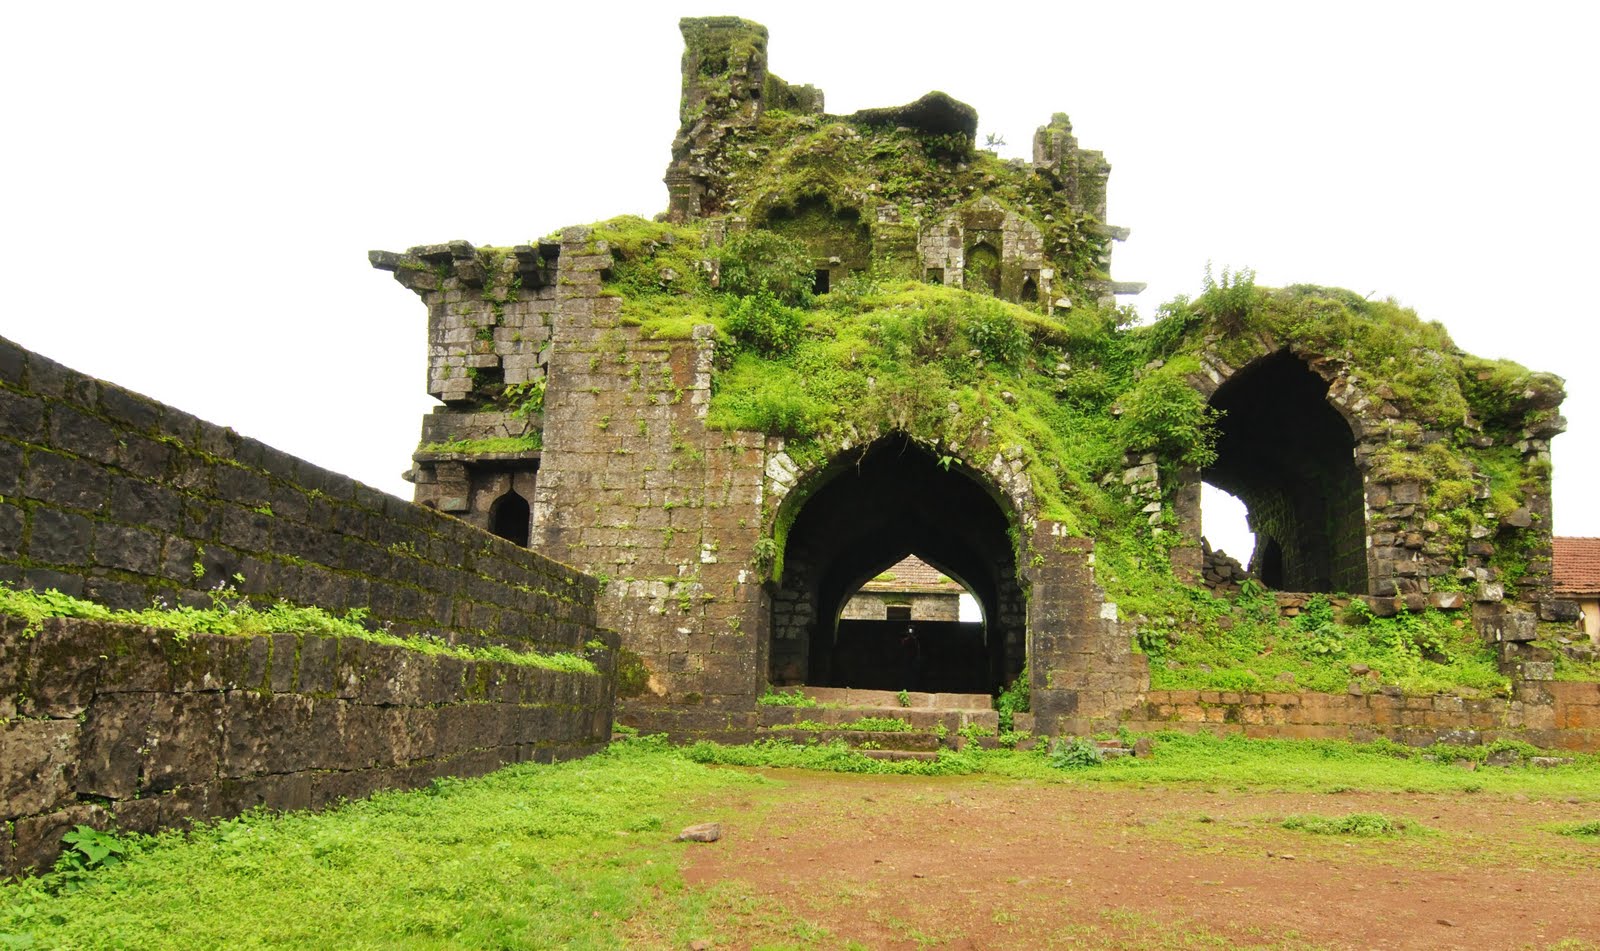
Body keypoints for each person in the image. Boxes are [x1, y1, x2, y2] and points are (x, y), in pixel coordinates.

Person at [898, 625, 922, 691]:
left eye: (911, 630)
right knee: (905, 675)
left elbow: (917, 650)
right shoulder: (905, 641)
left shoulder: (915, 641)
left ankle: (913, 689)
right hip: (906, 660)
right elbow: (902, 649)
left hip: (913, 661)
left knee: (912, 676)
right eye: (909, 630)